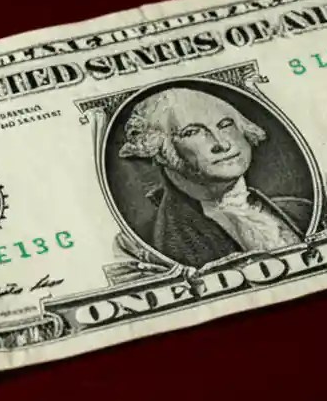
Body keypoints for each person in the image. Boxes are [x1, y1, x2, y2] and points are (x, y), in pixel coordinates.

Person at [118, 87, 312, 268]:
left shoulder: (301, 210)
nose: (222, 144)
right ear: (159, 151)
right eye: (192, 132)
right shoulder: (154, 246)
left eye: (225, 125)